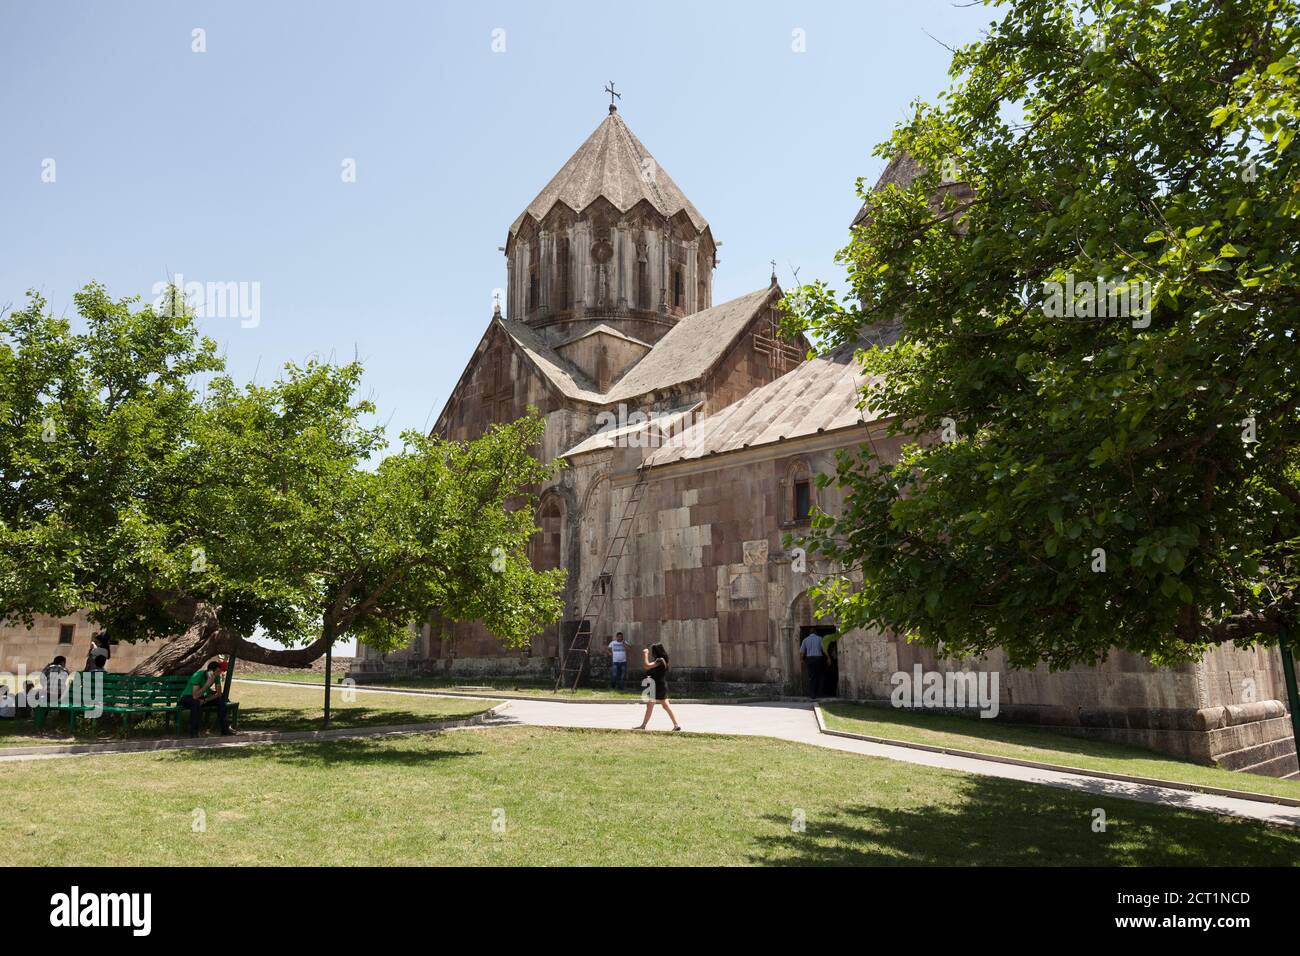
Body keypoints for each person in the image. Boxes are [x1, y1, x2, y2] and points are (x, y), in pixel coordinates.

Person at [179, 660, 235, 738]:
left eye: (220, 671)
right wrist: (207, 684)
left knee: (220, 701)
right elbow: (195, 696)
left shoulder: (216, 676)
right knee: (196, 703)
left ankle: (225, 730)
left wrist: (205, 700)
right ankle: (194, 733)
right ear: (210, 672)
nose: (219, 674)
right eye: (218, 671)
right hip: (187, 697)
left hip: (202, 697)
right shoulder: (198, 675)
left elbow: (218, 694)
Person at [634, 643, 680, 731]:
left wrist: (645, 654)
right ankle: (676, 725)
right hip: (659, 686)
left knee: (653, 706)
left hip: (657, 686)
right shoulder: (662, 660)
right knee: (662, 706)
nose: (653, 653)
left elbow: (646, 666)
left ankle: (643, 725)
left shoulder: (660, 660)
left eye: (653, 651)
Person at [799, 630, 827, 699]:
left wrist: (802, 660)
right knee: (820, 676)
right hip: (818, 659)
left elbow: (802, 652)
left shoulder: (805, 640)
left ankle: (812, 694)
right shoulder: (820, 638)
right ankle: (820, 693)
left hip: (810, 659)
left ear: (809, 633)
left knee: (812, 677)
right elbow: (824, 649)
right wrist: (828, 657)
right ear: (816, 632)